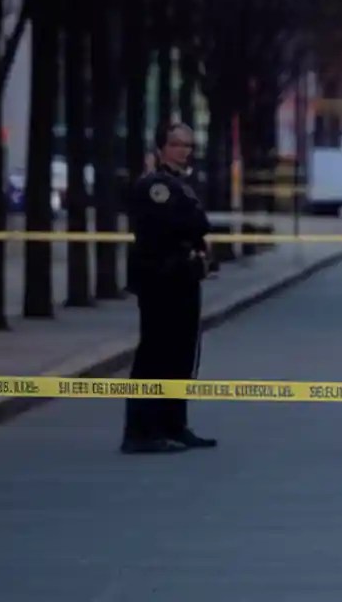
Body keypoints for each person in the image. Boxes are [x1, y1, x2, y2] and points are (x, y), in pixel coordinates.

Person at [121, 123, 216, 454]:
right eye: (177, 144)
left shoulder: (181, 185)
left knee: (181, 356)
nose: (184, 150)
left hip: (183, 279)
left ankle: (174, 423)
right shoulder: (156, 186)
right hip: (161, 280)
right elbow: (184, 225)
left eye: (188, 145)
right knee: (155, 355)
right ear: (161, 148)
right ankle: (142, 431)